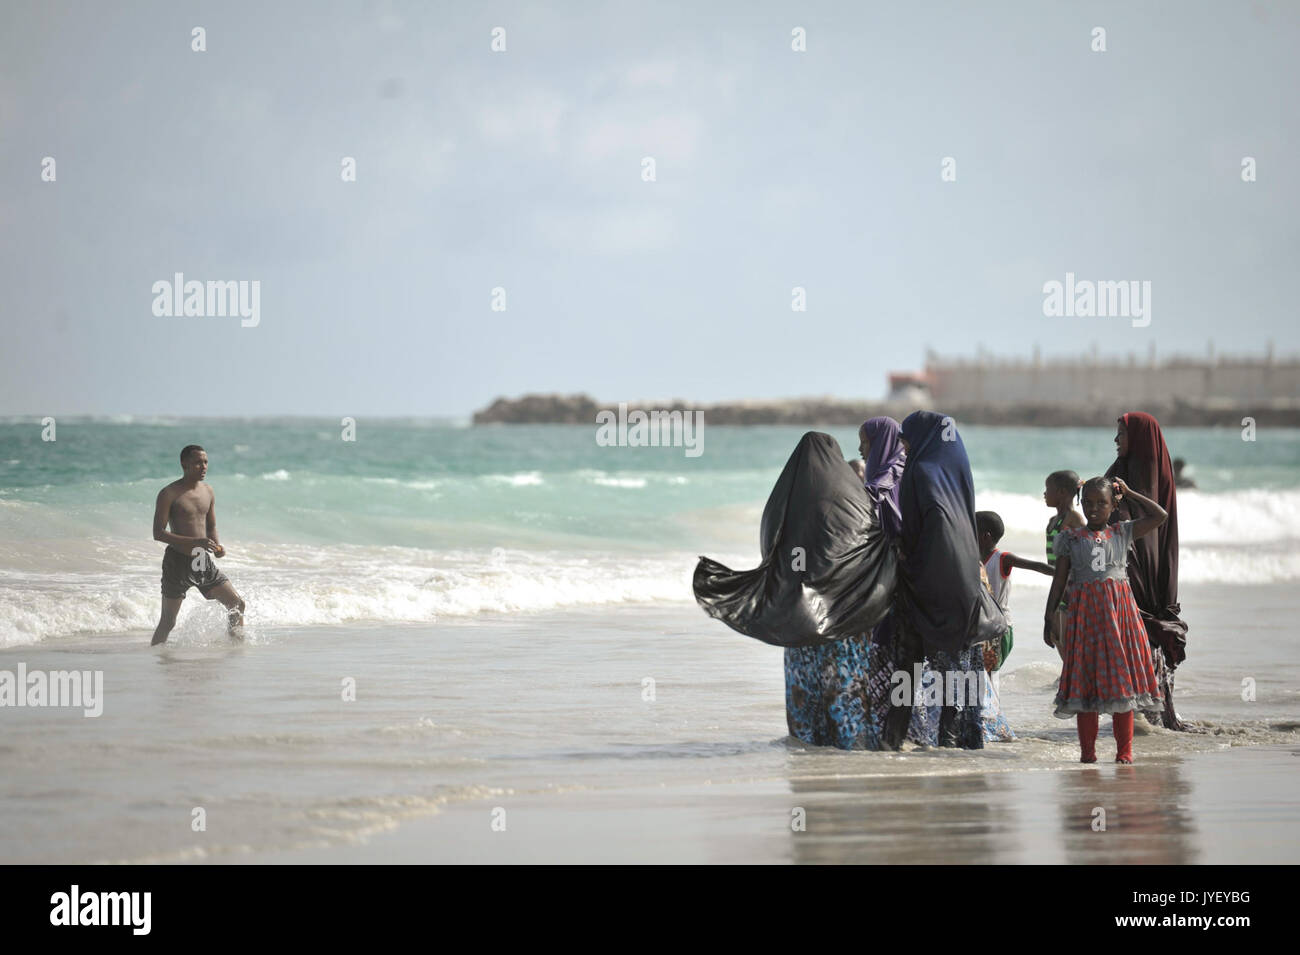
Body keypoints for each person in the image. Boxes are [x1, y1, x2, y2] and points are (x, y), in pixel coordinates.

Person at [693, 431, 898, 748]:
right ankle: (853, 745)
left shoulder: (783, 503)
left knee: (805, 686)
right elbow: (870, 549)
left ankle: (807, 746)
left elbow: (771, 551)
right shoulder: (854, 500)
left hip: (801, 615)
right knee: (845, 683)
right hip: (848, 617)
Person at [891, 411, 1007, 749]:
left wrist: (909, 560)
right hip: (966, 583)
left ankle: (947, 744)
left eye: (907, 436)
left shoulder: (924, 472)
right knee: (962, 672)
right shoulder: (956, 472)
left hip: (938, 587)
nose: (904, 444)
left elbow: (936, 527)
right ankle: (966, 746)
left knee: (946, 671)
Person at [1045, 476, 1165, 762]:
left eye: (1102, 503)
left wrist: (1131, 492)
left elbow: (1159, 516)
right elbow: (1059, 582)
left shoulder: (1122, 533)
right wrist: (1048, 618)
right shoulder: (1070, 539)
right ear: (1081, 504)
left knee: (1121, 683)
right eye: (1088, 502)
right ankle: (1088, 753)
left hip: (1120, 617)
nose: (1094, 508)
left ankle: (1124, 752)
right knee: (1085, 684)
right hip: (1085, 619)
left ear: (1113, 506)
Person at [1105, 412, 1188, 730]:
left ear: (1139, 439)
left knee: (1145, 634)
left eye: (1122, 434)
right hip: (1121, 568)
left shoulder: (1152, 473)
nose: (1116, 440)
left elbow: (1156, 527)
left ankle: (1151, 716)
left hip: (1147, 573)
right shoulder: (1119, 472)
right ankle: (1132, 717)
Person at [151, 445, 245, 645]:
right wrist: (195, 542)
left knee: (236, 604)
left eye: (205, 462)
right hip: (177, 563)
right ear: (184, 464)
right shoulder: (169, 493)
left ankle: (236, 648)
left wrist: (217, 547)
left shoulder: (208, 491)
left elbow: (211, 525)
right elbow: (158, 533)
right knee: (168, 622)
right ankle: (155, 657)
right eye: (197, 463)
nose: (203, 466)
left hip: (203, 561)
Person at [1043, 470, 1085, 662]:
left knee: (1067, 635)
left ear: (1061, 492)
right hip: (1058, 584)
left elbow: (1086, 549)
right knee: (1057, 635)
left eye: (1047, 489)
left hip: (1070, 586)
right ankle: (1067, 677)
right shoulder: (1054, 520)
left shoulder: (1073, 518)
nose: (1044, 493)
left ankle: (1073, 677)